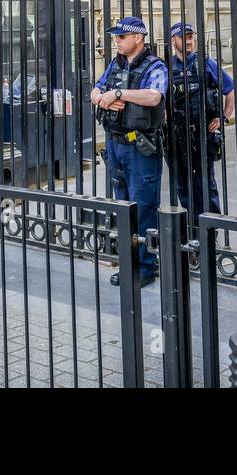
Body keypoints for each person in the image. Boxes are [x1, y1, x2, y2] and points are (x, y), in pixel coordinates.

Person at [90, 16, 168, 288]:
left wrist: (119, 94)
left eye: (121, 37)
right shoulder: (116, 63)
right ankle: (128, 263)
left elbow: (154, 96)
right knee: (122, 206)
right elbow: (96, 88)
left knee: (143, 207)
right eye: (116, 36)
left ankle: (145, 267)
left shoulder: (155, 66)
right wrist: (102, 97)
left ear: (138, 38)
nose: (117, 40)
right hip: (115, 144)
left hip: (140, 146)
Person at [166, 22, 235, 228]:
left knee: (205, 184)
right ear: (173, 41)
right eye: (183, 37)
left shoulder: (206, 64)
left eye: (191, 36)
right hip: (176, 137)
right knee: (182, 185)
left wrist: (223, 118)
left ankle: (210, 230)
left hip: (202, 135)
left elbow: (230, 90)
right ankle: (192, 229)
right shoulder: (167, 67)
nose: (188, 41)